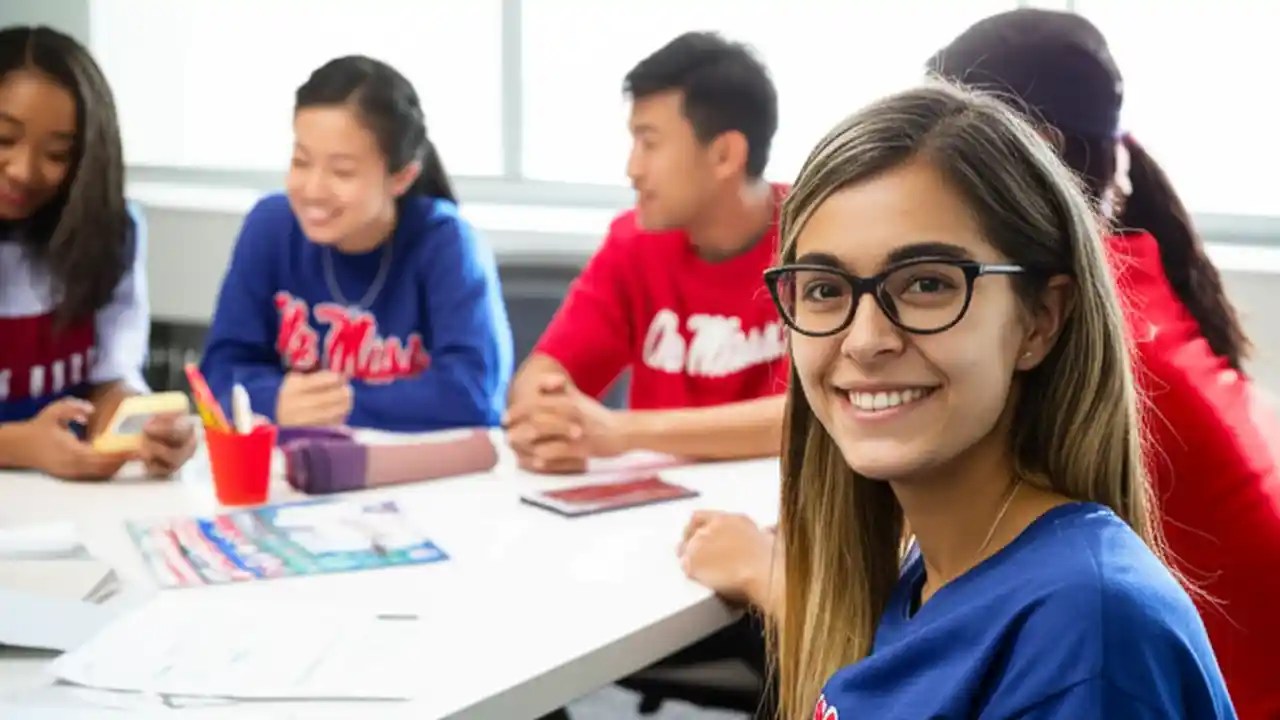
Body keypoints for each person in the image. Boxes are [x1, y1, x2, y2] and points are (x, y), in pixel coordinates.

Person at [766, 81, 1235, 718]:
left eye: (927, 283)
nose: (866, 340)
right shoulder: (933, 570)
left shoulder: (1085, 634)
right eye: (824, 289)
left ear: (1040, 320)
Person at [927, 10, 1280, 718]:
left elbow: (951, 626)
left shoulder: (1081, 331)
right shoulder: (1127, 274)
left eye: (940, 144)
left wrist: (760, 573)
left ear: (1032, 152)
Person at [504, 31, 787, 475]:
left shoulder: (816, 240)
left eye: (650, 143)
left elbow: (812, 419)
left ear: (724, 154)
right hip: (656, 514)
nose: (632, 169)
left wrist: (624, 433)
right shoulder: (633, 243)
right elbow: (541, 378)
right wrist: (548, 423)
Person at [200, 55, 513, 432]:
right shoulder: (271, 227)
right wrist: (276, 401)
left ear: (402, 177)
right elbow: (218, 372)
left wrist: (338, 406)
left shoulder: (446, 244)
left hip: (421, 478)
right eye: (301, 162)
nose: (313, 190)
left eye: (342, 171)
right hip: (296, 473)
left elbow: (473, 396)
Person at [0, 26, 195, 480]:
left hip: (69, 501)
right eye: (4, 140)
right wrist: (19, 445)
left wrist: (148, 428)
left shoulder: (111, 231)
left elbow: (111, 381)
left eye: (58, 153)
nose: (24, 171)